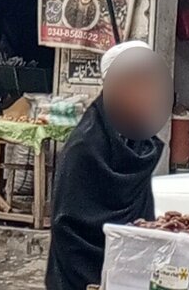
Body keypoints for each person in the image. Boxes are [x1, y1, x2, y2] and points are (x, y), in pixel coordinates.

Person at [46, 41, 173, 290]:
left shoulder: (138, 142)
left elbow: (141, 219)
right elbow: (68, 225)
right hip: (80, 274)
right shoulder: (84, 148)